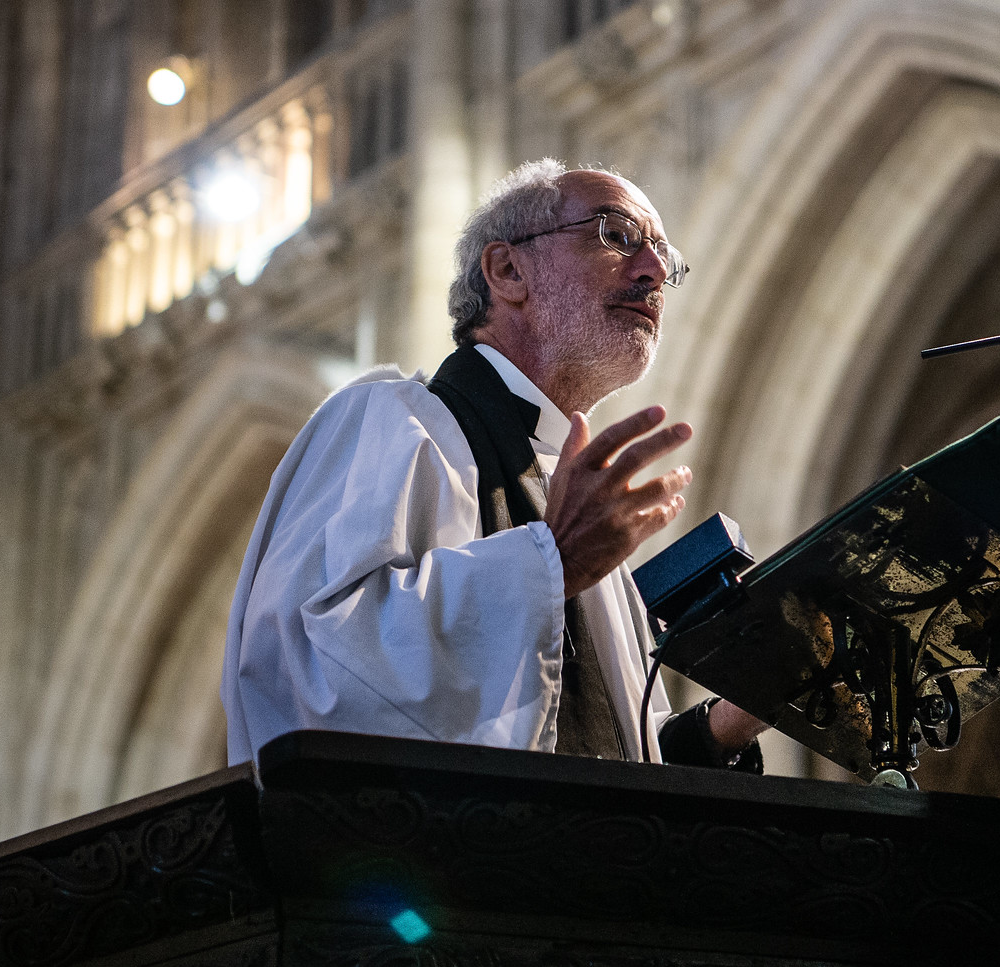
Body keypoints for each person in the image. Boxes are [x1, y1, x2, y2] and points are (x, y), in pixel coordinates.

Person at [221, 159, 769, 769]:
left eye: (664, 259)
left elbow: (617, 758)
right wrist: (550, 567)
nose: (652, 272)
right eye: (617, 235)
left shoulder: (569, 501)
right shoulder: (394, 422)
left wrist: (730, 722)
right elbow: (312, 672)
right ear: (507, 270)